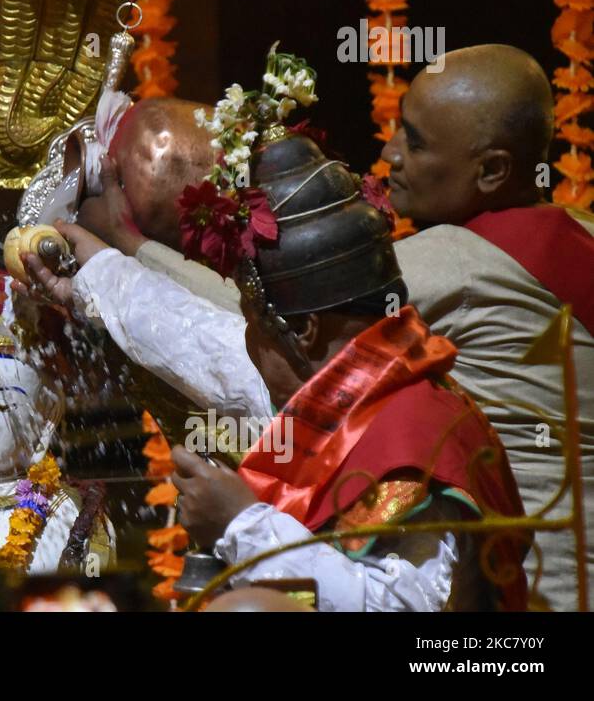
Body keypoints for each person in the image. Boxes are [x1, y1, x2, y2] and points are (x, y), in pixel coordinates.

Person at [61, 44, 591, 610]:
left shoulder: (462, 265)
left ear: (492, 169)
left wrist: (126, 246)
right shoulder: (573, 234)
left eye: (415, 140)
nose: (391, 155)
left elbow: (250, 309)